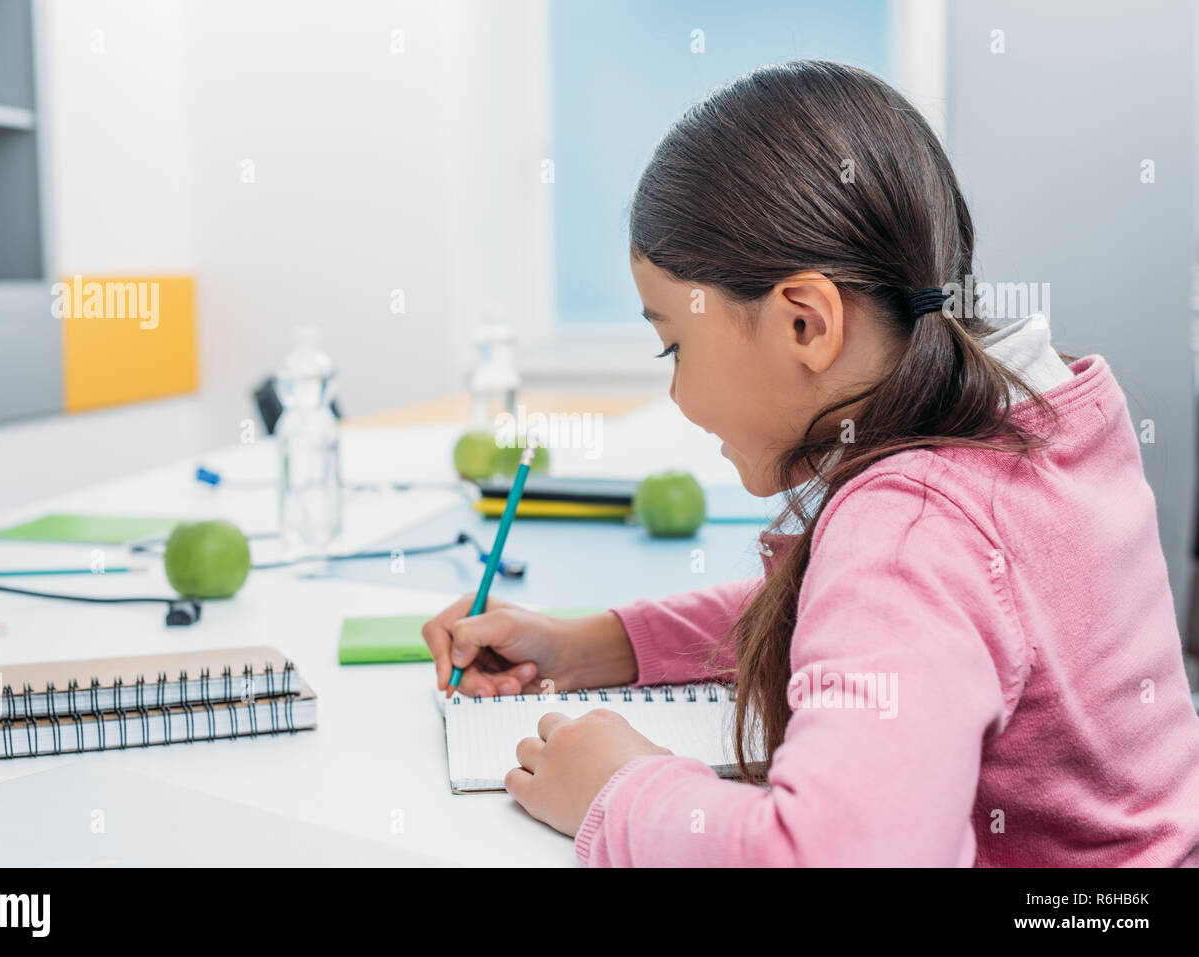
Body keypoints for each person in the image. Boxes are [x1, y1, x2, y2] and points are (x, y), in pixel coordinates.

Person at [423, 60, 1199, 867]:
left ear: (805, 324)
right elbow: (877, 604)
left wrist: (616, 788)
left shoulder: (907, 532)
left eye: (675, 345)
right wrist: (602, 644)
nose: (678, 391)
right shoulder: (1038, 411)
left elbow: (834, 853)